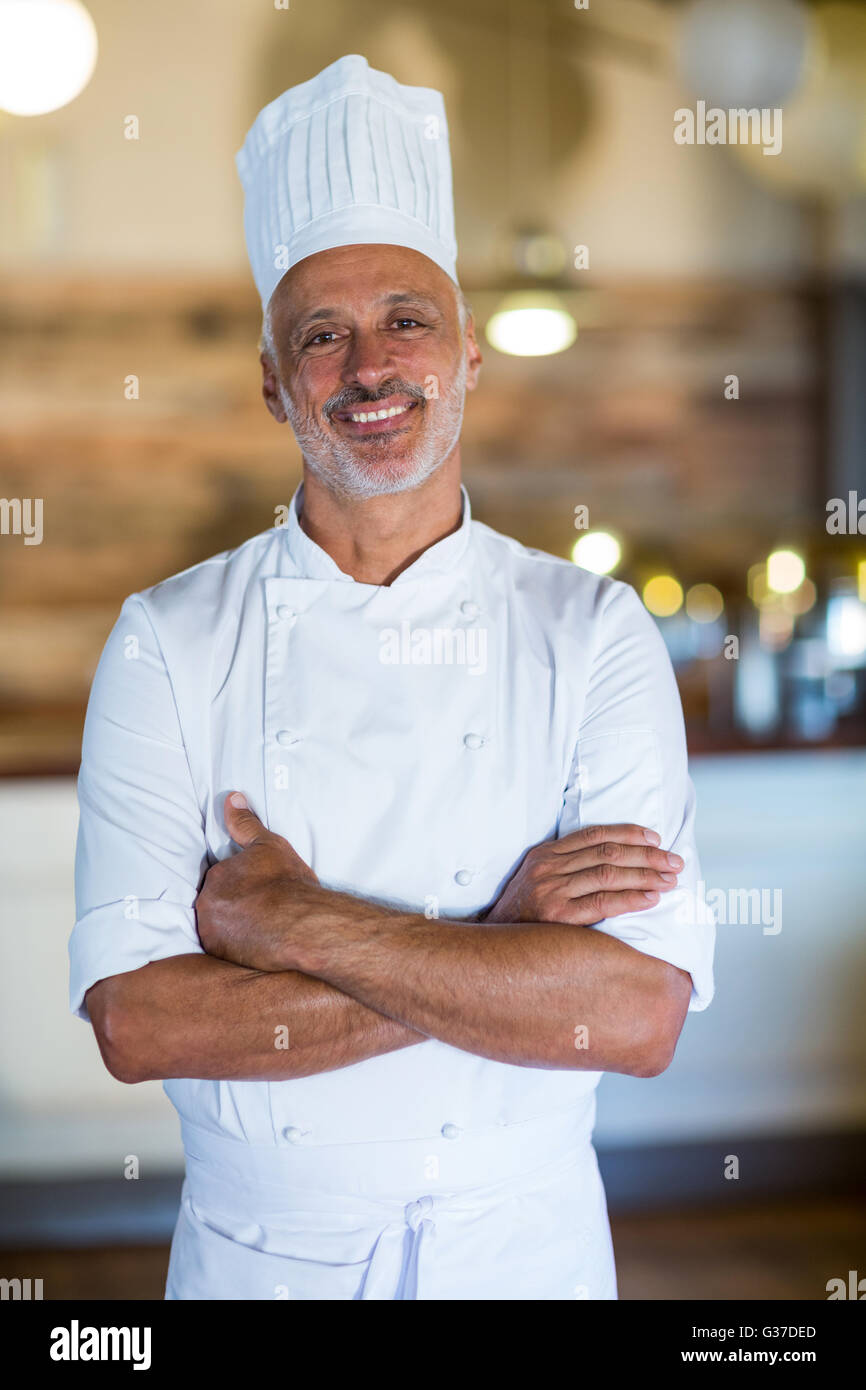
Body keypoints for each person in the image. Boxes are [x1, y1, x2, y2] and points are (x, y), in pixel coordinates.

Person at [69, 54, 715, 1301]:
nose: (371, 365)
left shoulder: (591, 630)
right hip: (264, 1265)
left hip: (523, 1256)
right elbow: (140, 1024)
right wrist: (510, 946)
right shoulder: (167, 639)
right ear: (273, 381)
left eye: (407, 319)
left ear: (468, 355)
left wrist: (293, 927)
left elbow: (635, 1018)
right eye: (322, 334)